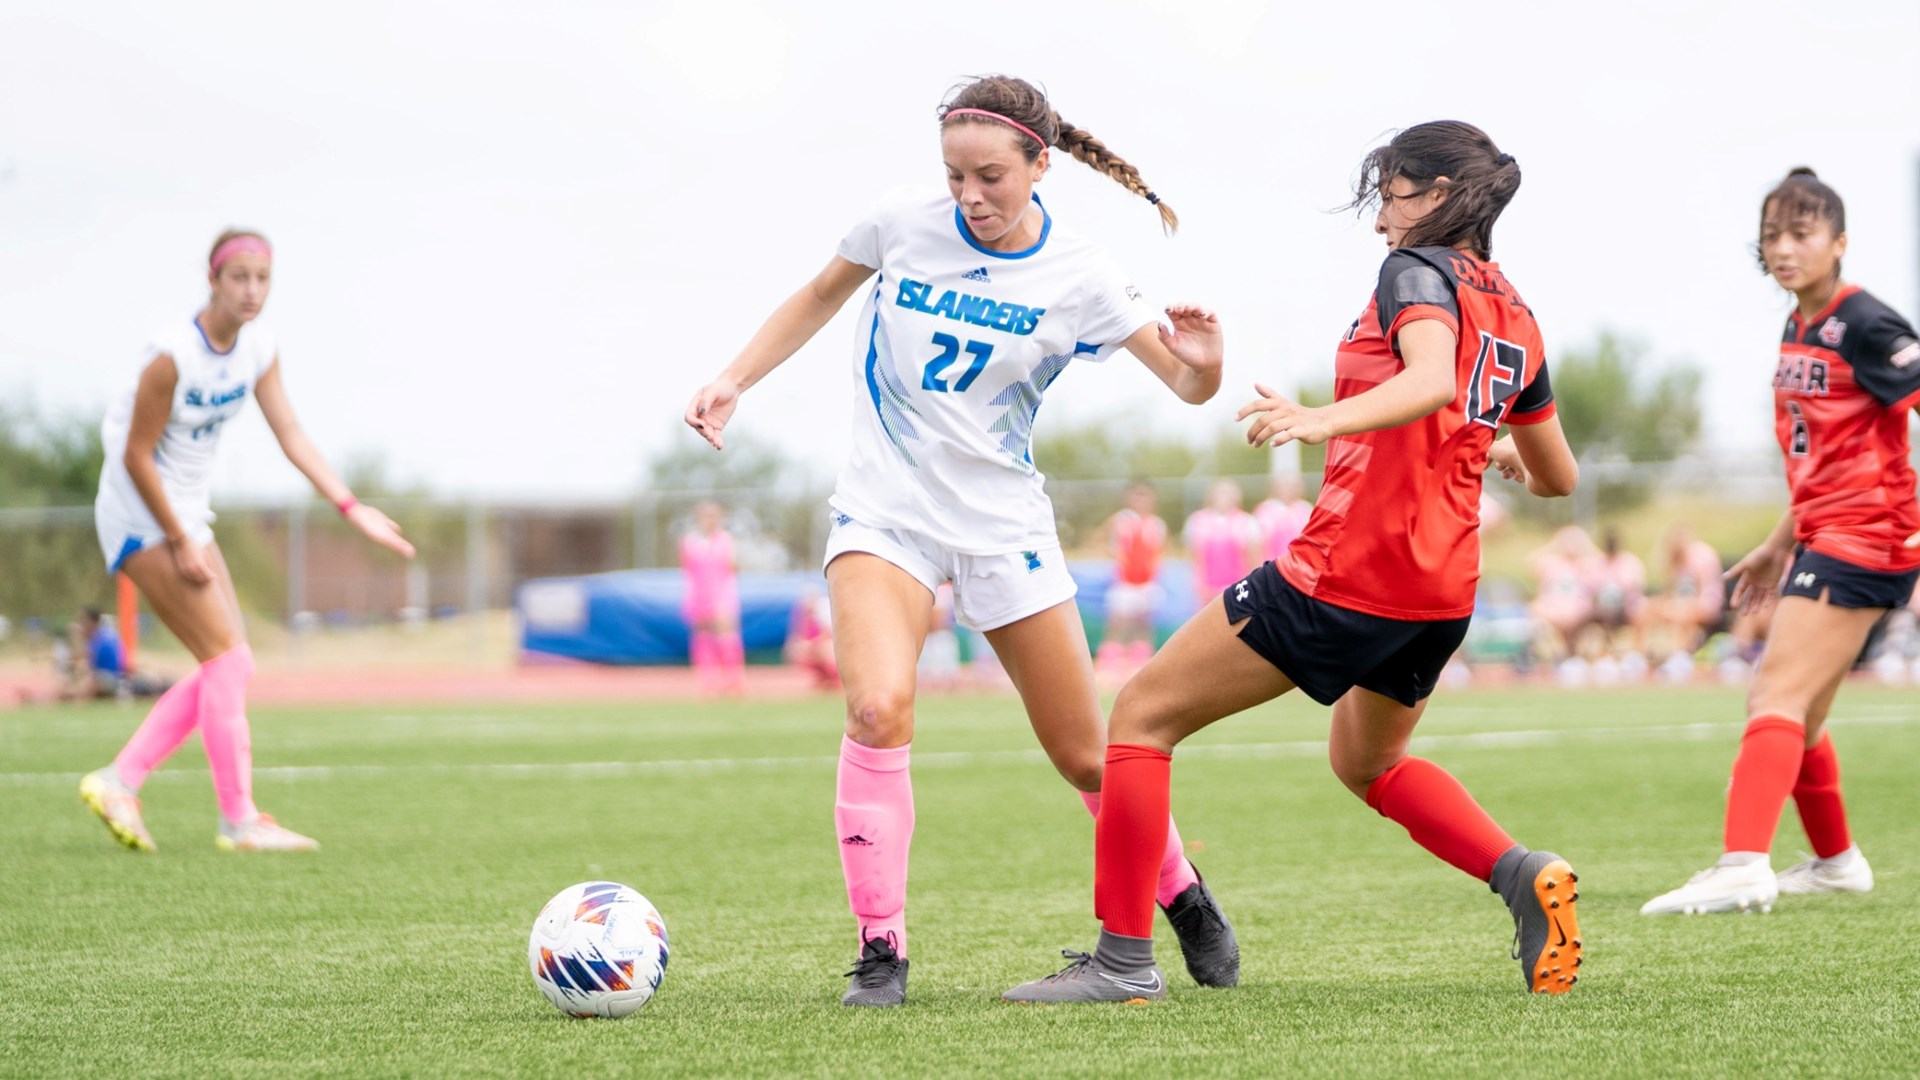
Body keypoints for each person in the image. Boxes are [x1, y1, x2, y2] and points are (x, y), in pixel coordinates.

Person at [685, 74, 1238, 1008]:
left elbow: (1187, 389)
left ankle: (1182, 896)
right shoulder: (902, 222)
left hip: (1003, 528)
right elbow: (820, 294)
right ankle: (881, 952)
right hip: (884, 514)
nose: (970, 196)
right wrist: (736, 376)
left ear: (1040, 165)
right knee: (877, 709)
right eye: (954, 176)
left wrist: (1210, 365)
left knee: (1090, 759)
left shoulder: (1084, 275)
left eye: (989, 175)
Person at [1003, 120, 1585, 1004]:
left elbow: (1430, 378)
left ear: (1436, 195)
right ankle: (1520, 874)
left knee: (1139, 718)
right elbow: (1558, 476)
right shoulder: (1517, 310)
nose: (1382, 214)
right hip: (1439, 591)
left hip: (1348, 573)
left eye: (1392, 192)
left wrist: (1319, 419)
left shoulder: (1413, 273)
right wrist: (1490, 448)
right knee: (1369, 766)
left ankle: (1122, 962)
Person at [78, 229, 416, 854]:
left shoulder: (258, 349)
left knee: (230, 664)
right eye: (239, 277)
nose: (252, 289)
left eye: (263, 277)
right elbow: (134, 455)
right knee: (227, 661)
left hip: (184, 513)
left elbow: (289, 431)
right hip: (137, 513)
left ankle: (119, 779)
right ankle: (238, 822)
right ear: (213, 280)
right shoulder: (173, 355)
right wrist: (179, 539)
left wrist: (351, 505)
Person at [1641, 169, 1920, 915]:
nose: (1785, 248)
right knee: (1805, 717)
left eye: (1802, 234)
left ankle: (1743, 863)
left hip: (1868, 537)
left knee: (1775, 694)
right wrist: (1775, 543)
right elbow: (1818, 459)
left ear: (1840, 244)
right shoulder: (1797, 325)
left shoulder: (1868, 324)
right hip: (1825, 531)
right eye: (1772, 236)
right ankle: (1837, 862)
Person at [1098, 482, 1167, 678]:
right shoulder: (1120, 521)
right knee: (1118, 623)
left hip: (1147, 582)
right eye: (1137, 496)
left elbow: (1159, 550)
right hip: (1124, 582)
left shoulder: (1157, 524)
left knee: (1144, 624)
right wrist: (1116, 558)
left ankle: (1141, 666)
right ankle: (1109, 667)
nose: (1142, 501)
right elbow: (1102, 539)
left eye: (1146, 496)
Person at [681, 501, 745, 695]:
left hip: (721, 595)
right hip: (699, 596)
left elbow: (732, 568)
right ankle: (707, 681)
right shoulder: (690, 542)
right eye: (705, 516)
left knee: (726, 635)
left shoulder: (725, 540)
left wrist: (725, 596)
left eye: (713, 516)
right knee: (702, 636)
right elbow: (687, 572)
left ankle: (733, 681)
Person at [1183, 480, 1262, 609]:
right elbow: (1193, 555)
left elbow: (1254, 556)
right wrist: (1198, 584)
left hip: (1238, 587)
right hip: (1207, 589)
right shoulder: (1197, 521)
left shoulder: (1247, 522)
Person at [1655, 524, 1725, 663]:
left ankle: (1679, 655)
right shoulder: (1675, 560)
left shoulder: (1703, 555)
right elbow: (1670, 591)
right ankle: (1643, 658)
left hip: (1707, 603)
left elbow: (1704, 592)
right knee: (1649, 611)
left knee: (1681, 614)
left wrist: (1679, 605)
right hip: (1681, 603)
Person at [1253, 472, 1313, 565]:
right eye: (1285, 485)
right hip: (1271, 567)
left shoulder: (1306, 509)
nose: (1288, 489)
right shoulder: (1265, 511)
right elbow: (1255, 544)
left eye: (1293, 485)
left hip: (1301, 567)